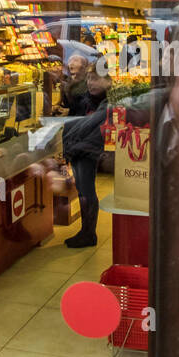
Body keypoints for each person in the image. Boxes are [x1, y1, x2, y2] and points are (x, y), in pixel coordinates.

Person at [60, 73, 111, 247]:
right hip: (77, 150)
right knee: (82, 191)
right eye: (89, 79)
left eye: (96, 79)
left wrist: (73, 146)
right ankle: (86, 231)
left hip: (87, 151)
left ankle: (89, 234)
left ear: (108, 82)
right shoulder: (85, 100)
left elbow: (91, 128)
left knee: (87, 192)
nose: (91, 83)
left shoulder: (107, 103)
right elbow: (73, 122)